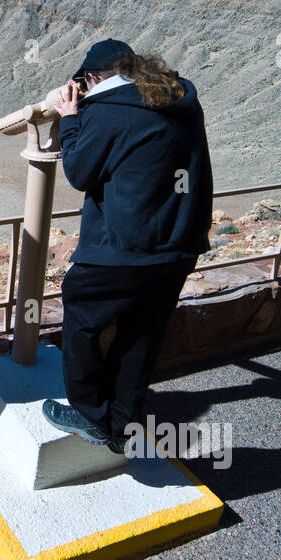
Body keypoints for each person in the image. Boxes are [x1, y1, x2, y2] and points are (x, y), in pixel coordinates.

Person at [42, 39, 213, 455]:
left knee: (81, 315)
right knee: (141, 334)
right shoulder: (180, 96)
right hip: (178, 245)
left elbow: (81, 171)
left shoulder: (106, 109)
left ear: (90, 79)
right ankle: (122, 424)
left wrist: (70, 116)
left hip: (124, 249)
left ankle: (91, 415)